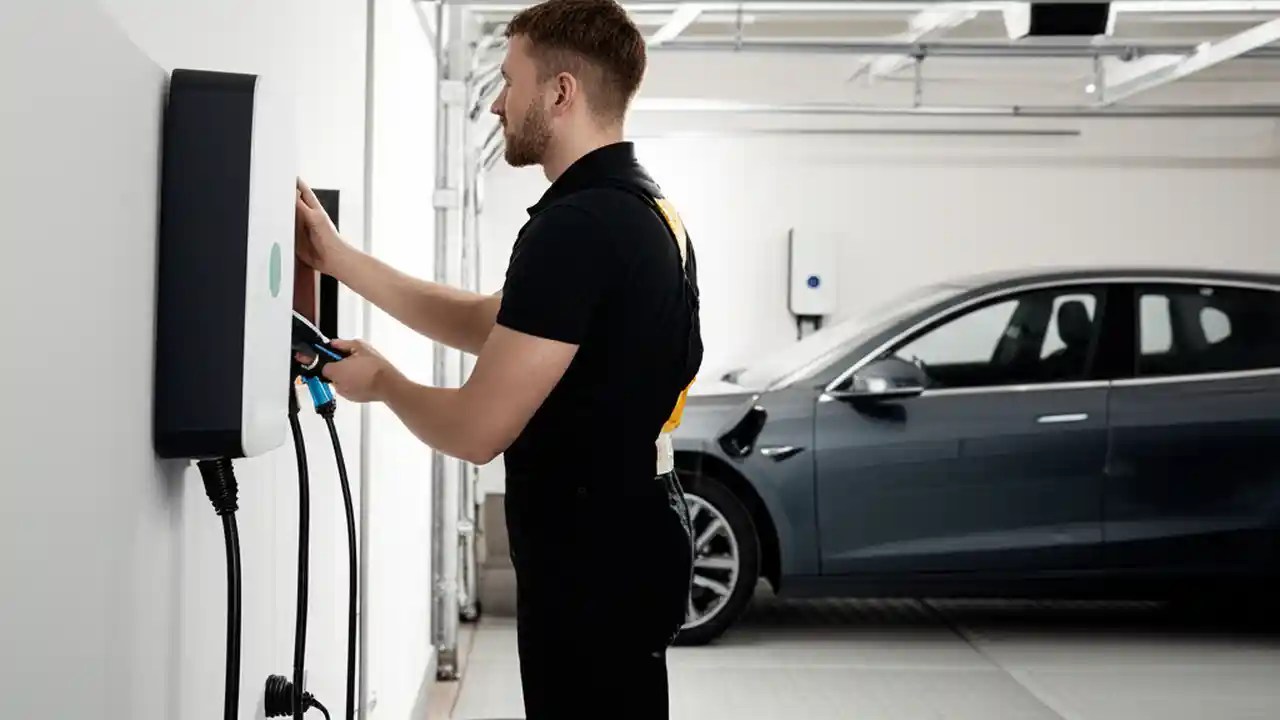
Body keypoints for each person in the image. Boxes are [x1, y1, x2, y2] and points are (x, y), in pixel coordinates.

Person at [292, 0, 702, 715]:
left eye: (508, 81)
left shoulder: (577, 229)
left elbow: (478, 431)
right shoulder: (640, 209)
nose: (493, 104)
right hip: (631, 540)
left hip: (593, 566)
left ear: (561, 92)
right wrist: (338, 261)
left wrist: (383, 382)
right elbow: (491, 322)